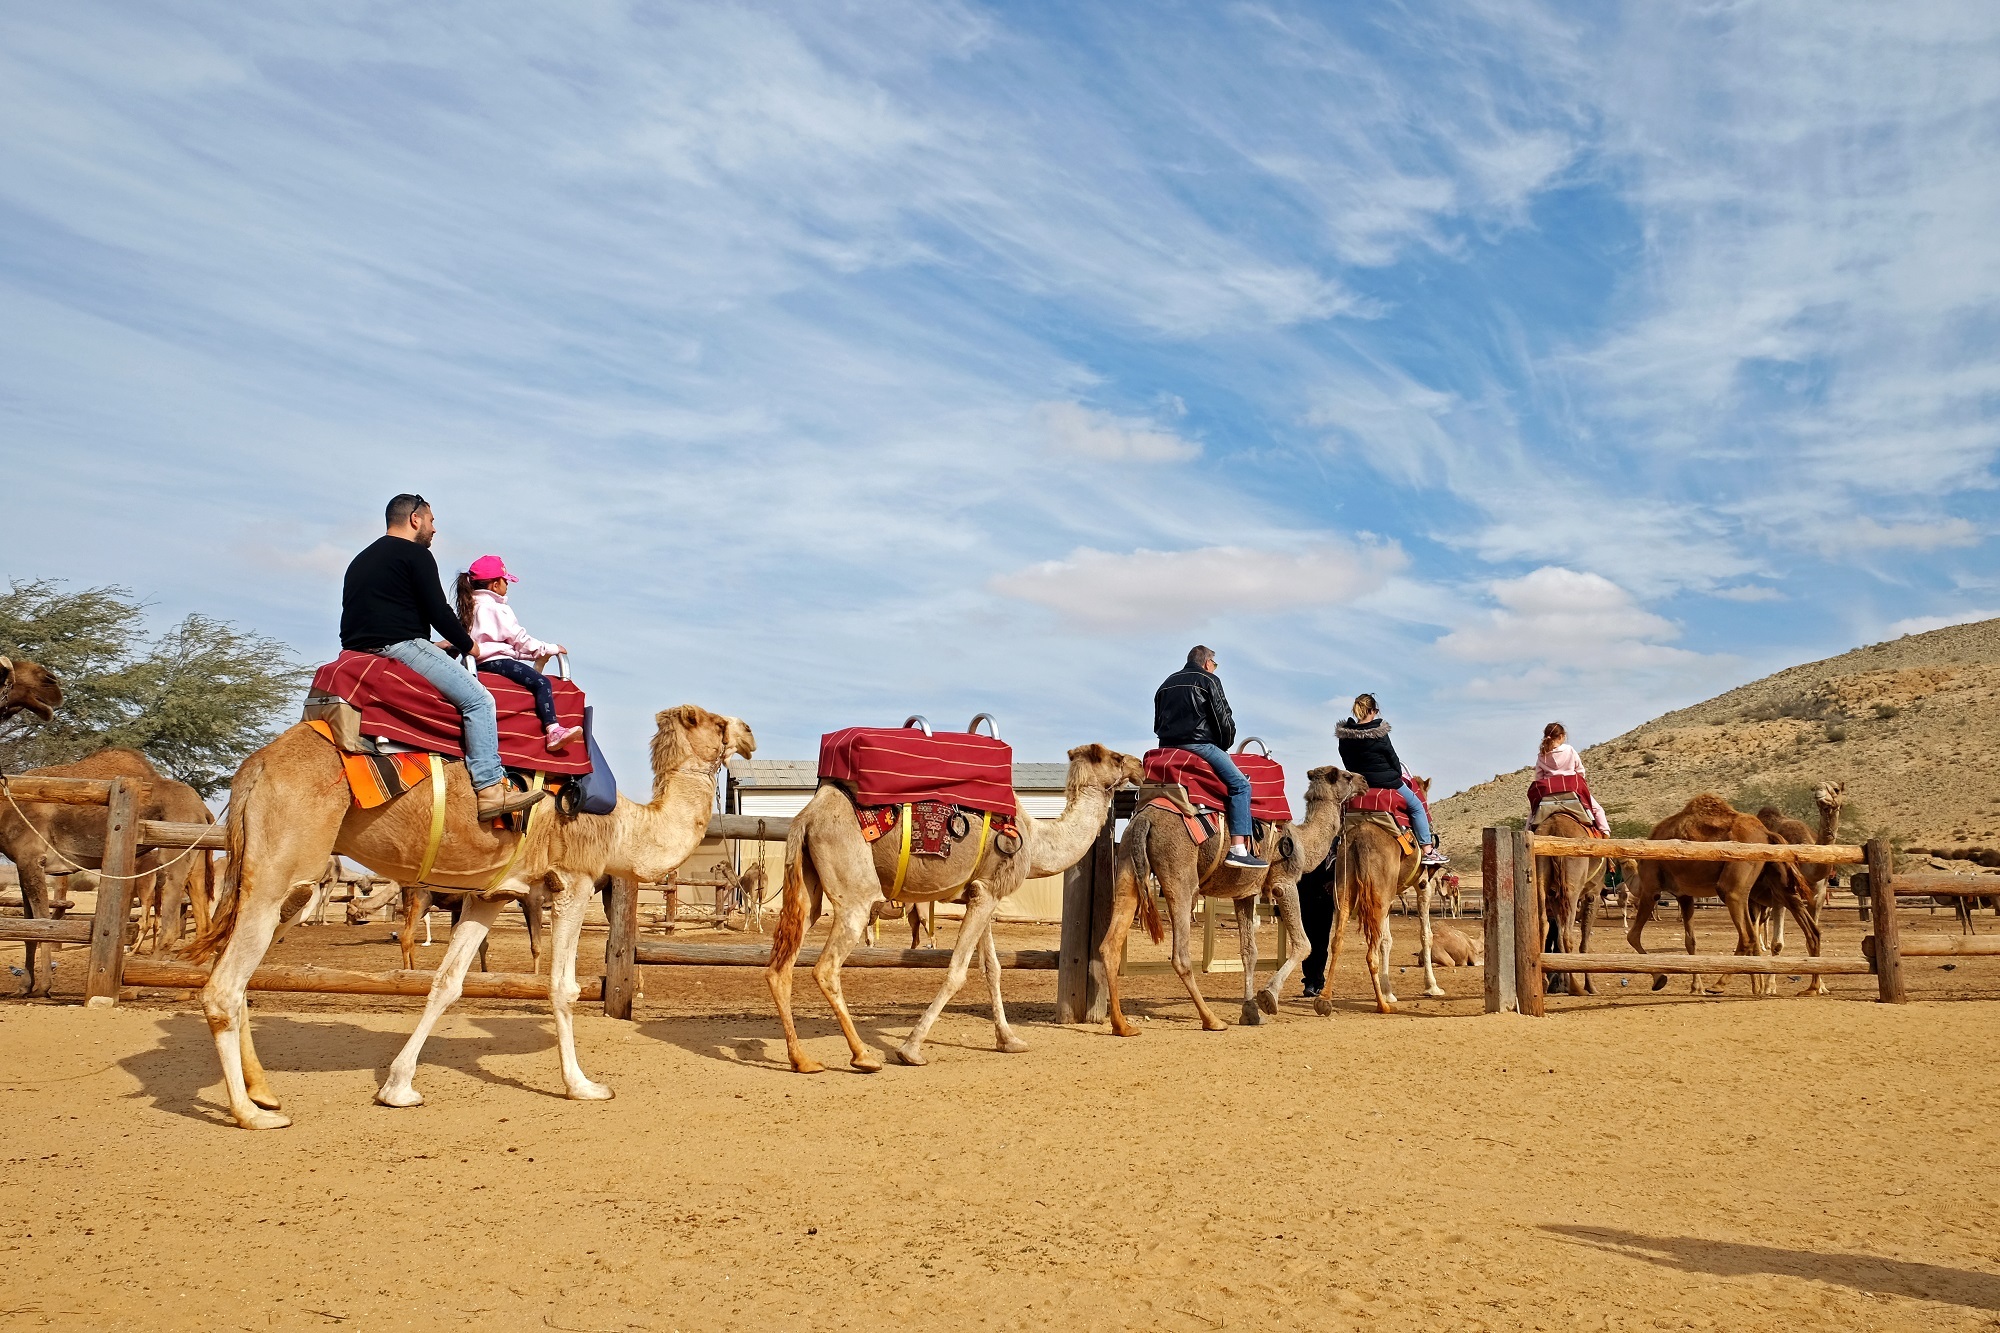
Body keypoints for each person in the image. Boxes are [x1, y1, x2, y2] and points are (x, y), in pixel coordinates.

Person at [340, 494, 544, 820]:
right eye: (432, 521)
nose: (435, 529)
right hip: (398, 645)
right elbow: (439, 610)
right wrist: (468, 645)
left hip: (357, 648)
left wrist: (436, 645)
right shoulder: (415, 554)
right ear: (415, 519)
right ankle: (491, 789)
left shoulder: (362, 558)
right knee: (479, 700)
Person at [454, 554, 580, 753]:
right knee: (541, 682)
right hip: (497, 661)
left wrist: (533, 656)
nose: (508, 585)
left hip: (479, 663)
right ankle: (553, 730)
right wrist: (551, 648)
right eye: (506, 580)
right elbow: (520, 640)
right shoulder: (498, 609)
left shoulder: (470, 606)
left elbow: (506, 647)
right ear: (495, 585)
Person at [1154, 645, 1265, 869]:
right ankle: (1238, 849)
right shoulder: (1209, 680)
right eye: (1215, 664)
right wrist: (1224, 744)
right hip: (1199, 745)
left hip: (1167, 749)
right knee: (1241, 785)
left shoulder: (1165, 684)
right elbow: (1223, 718)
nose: (1214, 668)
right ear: (1207, 663)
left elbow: (1157, 724)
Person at [1335, 693, 1444, 865]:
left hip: (1359, 785)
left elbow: (1347, 762)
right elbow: (1393, 760)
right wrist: (1394, 776)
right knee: (1417, 807)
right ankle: (1428, 851)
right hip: (1387, 782)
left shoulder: (1345, 737)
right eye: (1376, 711)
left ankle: (1334, 849)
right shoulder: (1380, 734)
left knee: (1339, 812)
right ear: (1371, 711)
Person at [1532, 721, 1610, 836]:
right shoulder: (1569, 750)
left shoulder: (1542, 755)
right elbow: (1580, 771)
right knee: (1598, 810)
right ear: (1561, 736)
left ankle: (1525, 843)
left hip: (1547, 794)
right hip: (1571, 790)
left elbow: (1539, 777)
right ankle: (1605, 835)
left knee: (1531, 817)